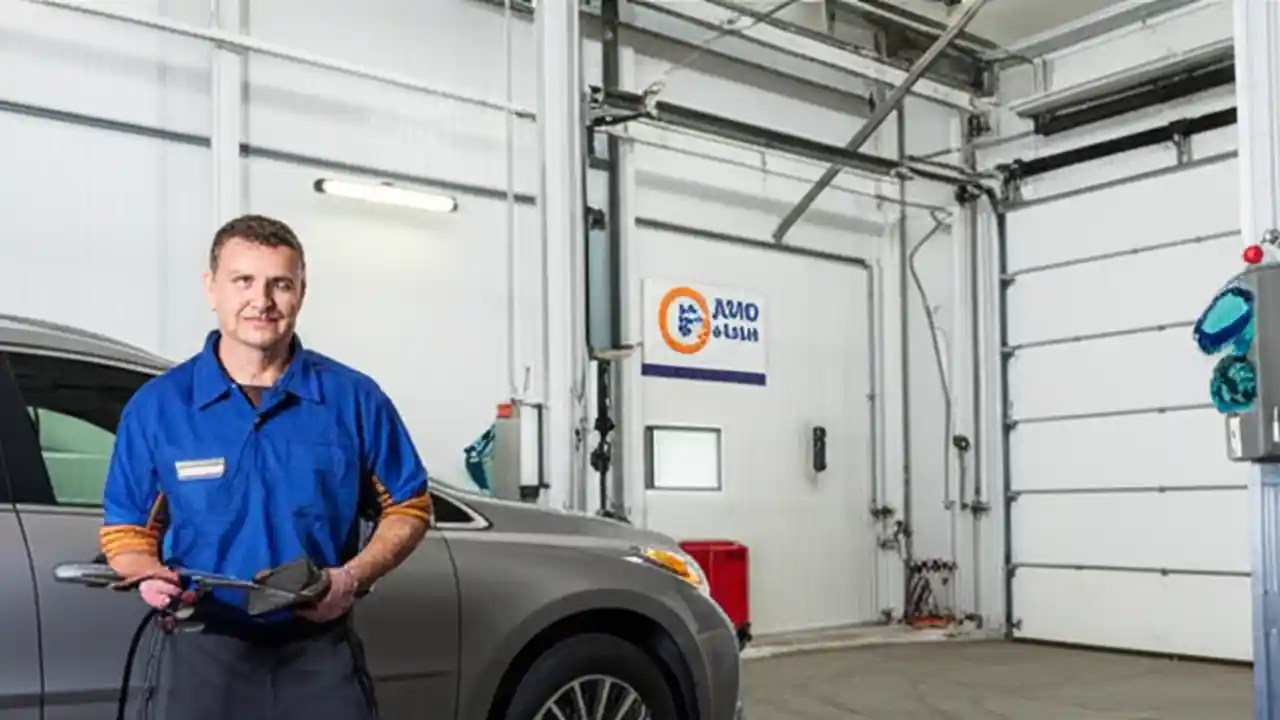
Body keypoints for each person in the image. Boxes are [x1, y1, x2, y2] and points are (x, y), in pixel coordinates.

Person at [98, 214, 433, 719]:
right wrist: (147, 575)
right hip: (204, 648)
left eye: (280, 283)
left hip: (319, 652)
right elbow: (125, 531)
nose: (263, 300)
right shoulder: (158, 408)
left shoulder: (354, 399)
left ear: (301, 290)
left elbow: (410, 506)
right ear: (211, 287)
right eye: (243, 281)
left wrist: (351, 577)